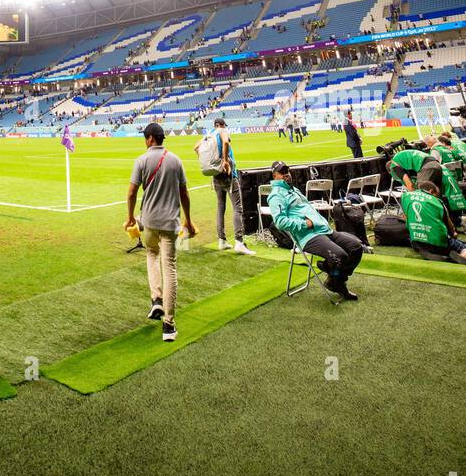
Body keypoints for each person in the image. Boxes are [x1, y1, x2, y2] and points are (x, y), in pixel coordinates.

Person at [126, 123, 195, 341]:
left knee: (151, 255)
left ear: (149, 139)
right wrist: (189, 221)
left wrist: (129, 218)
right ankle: (169, 325)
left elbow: (131, 193)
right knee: (170, 268)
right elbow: (184, 194)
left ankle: (156, 299)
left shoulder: (141, 160)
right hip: (170, 223)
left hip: (149, 222)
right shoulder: (175, 160)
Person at [267, 161, 364, 300]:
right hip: (308, 236)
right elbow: (280, 222)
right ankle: (338, 283)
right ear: (275, 175)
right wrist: (304, 223)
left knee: (356, 248)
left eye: (287, 170)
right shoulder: (276, 195)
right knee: (340, 256)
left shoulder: (293, 189)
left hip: (323, 229)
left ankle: (334, 278)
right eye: (282, 172)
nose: (286, 174)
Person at [196, 117, 254, 255]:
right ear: (221, 125)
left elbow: (196, 147)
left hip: (216, 175)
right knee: (237, 208)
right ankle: (239, 242)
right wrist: (225, 160)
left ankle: (222, 240)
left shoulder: (208, 135)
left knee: (220, 207)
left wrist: (208, 164)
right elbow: (226, 141)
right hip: (228, 174)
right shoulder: (222, 131)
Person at [401, 180, 466, 265]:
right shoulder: (438, 202)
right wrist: (453, 234)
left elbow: (406, 218)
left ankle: (427, 251)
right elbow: (451, 228)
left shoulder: (405, 196)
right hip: (437, 243)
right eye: (436, 195)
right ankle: (459, 253)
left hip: (416, 241)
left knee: (423, 243)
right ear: (431, 191)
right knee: (461, 245)